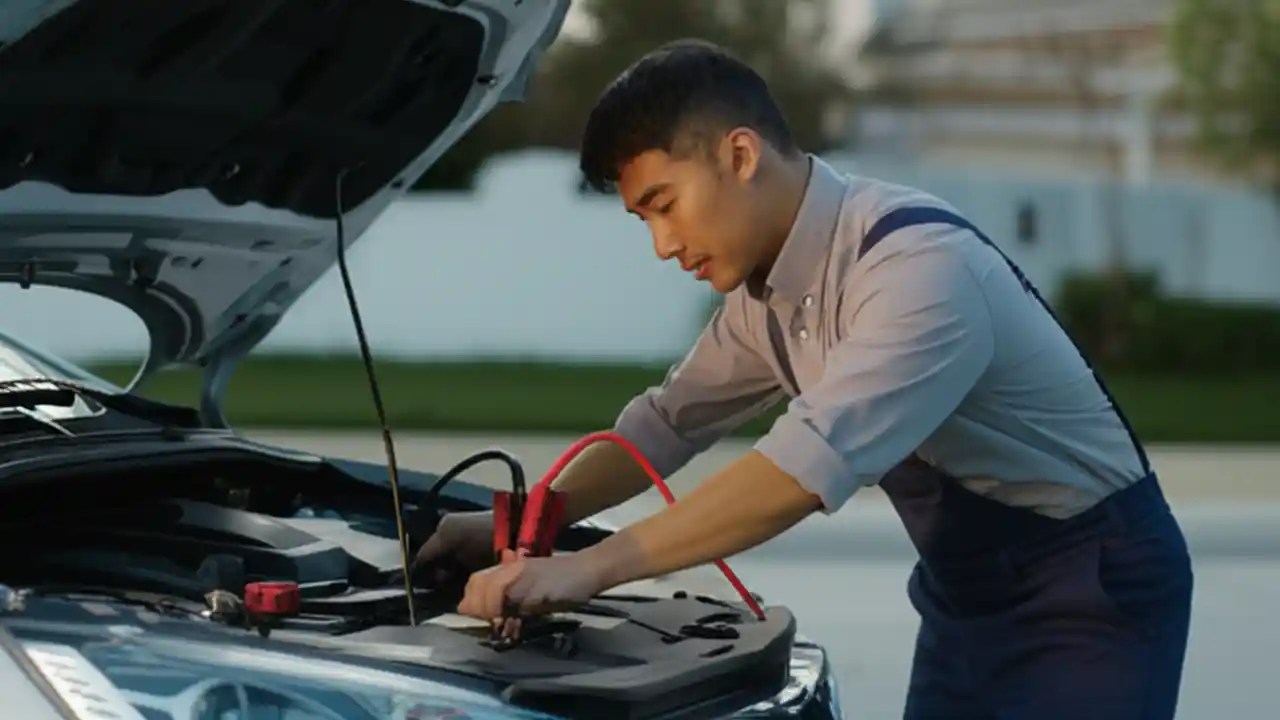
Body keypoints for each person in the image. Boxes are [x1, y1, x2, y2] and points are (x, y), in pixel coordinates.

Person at [415, 39, 1193, 719]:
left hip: (1092, 588)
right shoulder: (769, 291)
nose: (661, 244)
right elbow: (664, 425)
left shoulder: (919, 271)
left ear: (740, 155)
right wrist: (523, 525)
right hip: (968, 592)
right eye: (642, 220)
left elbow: (798, 470)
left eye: (664, 205)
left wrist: (589, 566)